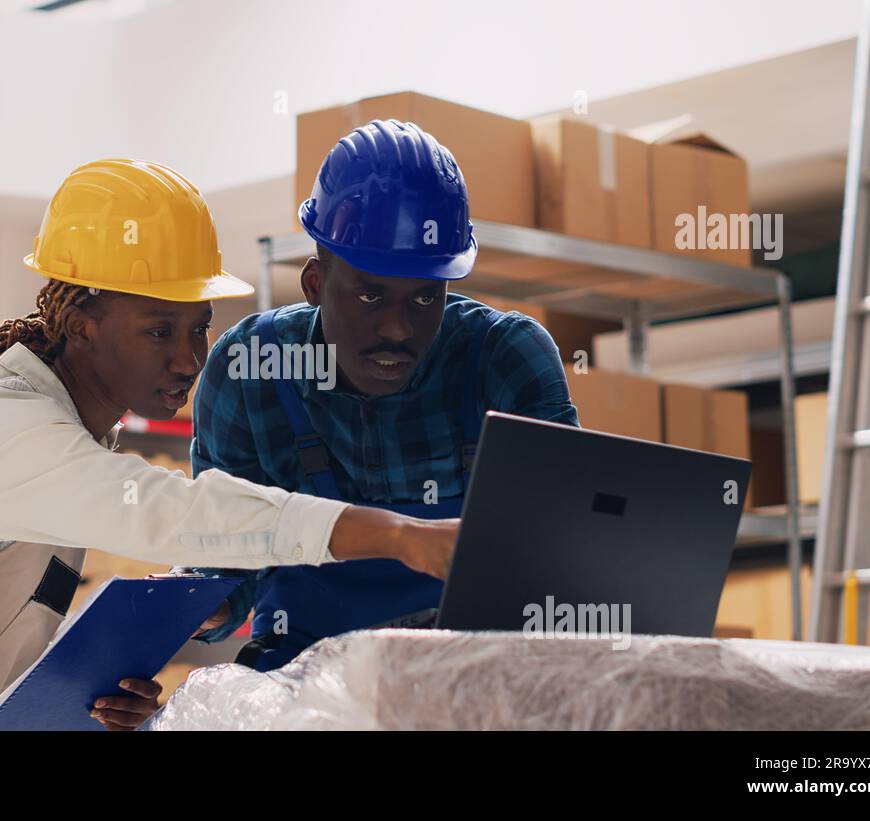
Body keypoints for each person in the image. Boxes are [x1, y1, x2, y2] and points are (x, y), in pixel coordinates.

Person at [0, 158, 457, 732]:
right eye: (158, 330)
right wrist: (391, 532)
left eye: (197, 328)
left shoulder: (69, 435)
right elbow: (175, 512)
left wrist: (89, 698)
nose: (189, 358)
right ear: (84, 321)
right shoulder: (9, 427)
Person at [189, 120, 579, 671]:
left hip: (479, 683)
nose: (397, 329)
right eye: (371, 295)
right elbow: (227, 550)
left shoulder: (502, 358)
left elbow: (566, 545)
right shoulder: (251, 369)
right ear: (314, 286)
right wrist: (200, 603)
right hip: (306, 687)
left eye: (424, 299)